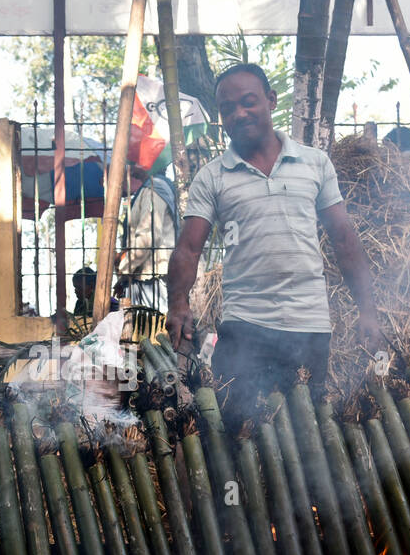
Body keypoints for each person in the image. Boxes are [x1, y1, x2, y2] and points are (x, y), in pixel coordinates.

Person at [165, 63, 385, 410]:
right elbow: (188, 249)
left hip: (309, 327)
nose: (239, 113)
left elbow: (344, 239)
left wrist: (367, 311)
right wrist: (178, 303)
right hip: (243, 328)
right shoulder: (211, 177)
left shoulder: (315, 164)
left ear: (271, 100)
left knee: (308, 431)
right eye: (227, 109)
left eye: (249, 101)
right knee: (240, 434)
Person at [117, 165, 177, 311]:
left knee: (152, 329)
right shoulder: (149, 190)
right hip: (146, 276)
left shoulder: (153, 190)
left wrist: (124, 268)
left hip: (152, 277)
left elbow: (148, 238)